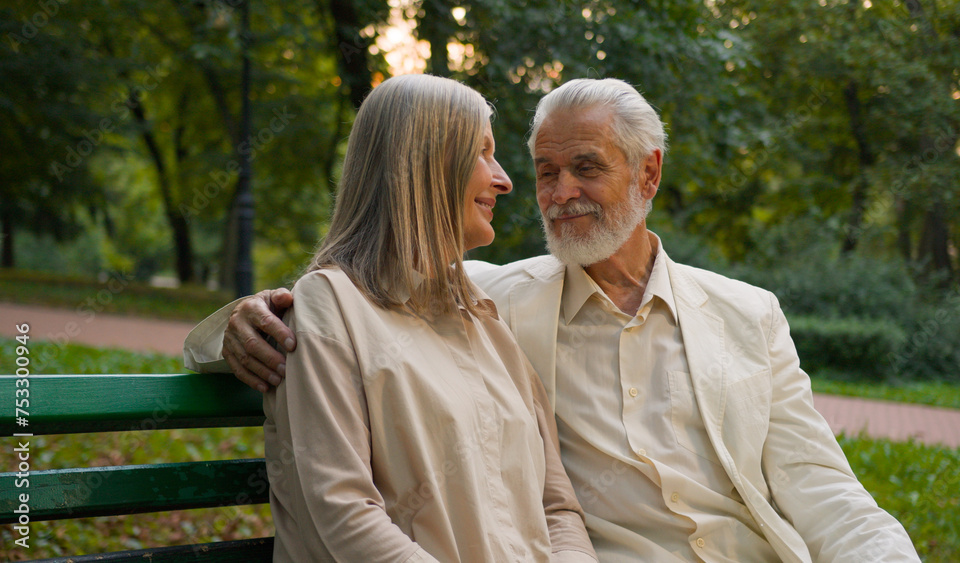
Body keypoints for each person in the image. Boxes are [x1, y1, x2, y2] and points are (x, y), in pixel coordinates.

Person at [186, 78, 920, 562]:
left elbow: (824, 489)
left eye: (586, 167)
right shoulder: (493, 298)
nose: (557, 192)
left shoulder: (747, 314)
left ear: (649, 174)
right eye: (544, 169)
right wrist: (238, 322)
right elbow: (356, 292)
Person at [198, 73, 597, 562]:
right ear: (424, 162)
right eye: (482, 152)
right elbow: (344, 516)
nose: (505, 179)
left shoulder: (487, 320)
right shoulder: (330, 308)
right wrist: (230, 326)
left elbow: (557, 507)